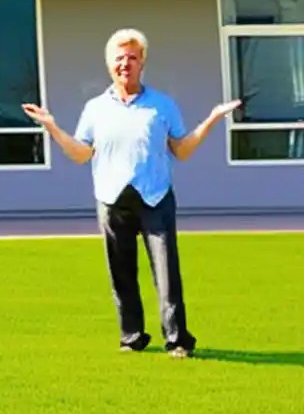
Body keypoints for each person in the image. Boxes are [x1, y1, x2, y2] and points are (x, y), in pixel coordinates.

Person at [21, 28, 241, 359]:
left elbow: (180, 150)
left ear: (143, 63)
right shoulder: (95, 108)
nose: (126, 64)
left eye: (133, 58)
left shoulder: (162, 106)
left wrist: (210, 120)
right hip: (112, 199)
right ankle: (132, 336)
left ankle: (177, 339)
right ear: (110, 65)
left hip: (155, 197)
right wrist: (52, 127)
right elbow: (82, 154)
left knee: (167, 272)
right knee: (121, 273)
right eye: (119, 58)